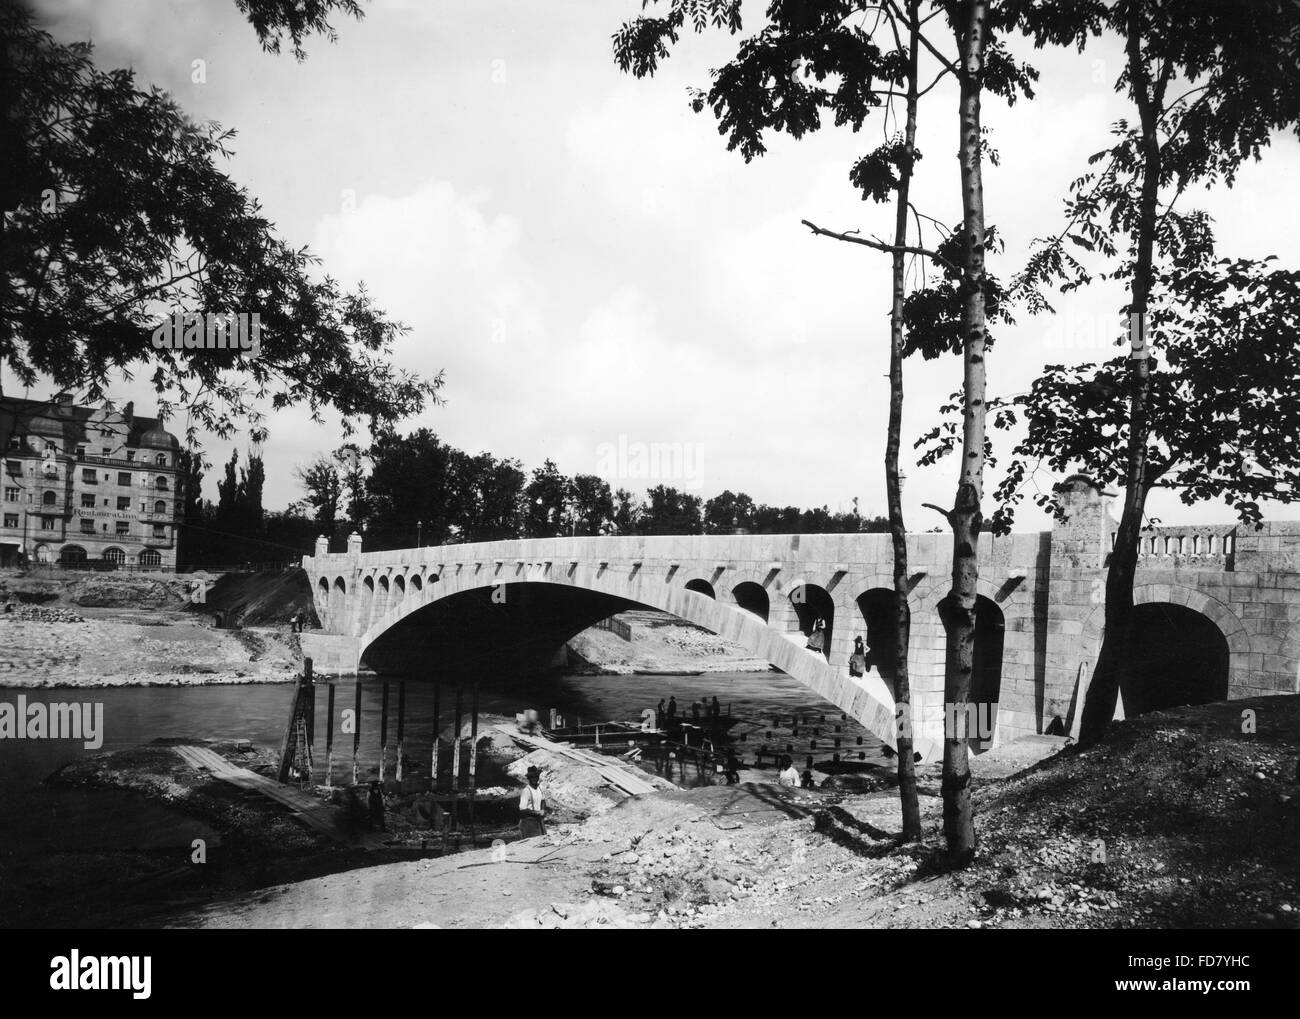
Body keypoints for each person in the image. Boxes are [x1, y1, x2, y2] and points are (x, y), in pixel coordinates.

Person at [518, 765, 547, 837]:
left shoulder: (540, 788)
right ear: (529, 778)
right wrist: (536, 812)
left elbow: (543, 800)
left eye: (536, 777)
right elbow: (522, 809)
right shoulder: (526, 791)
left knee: (543, 838)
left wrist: (542, 809)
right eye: (532, 777)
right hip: (528, 821)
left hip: (539, 819)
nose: (535, 779)